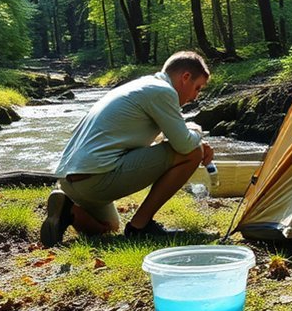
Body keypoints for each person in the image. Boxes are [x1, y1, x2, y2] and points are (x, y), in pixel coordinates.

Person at [40, 51, 214, 247]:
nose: (195, 97)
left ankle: (68, 211)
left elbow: (153, 137)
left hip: (70, 181)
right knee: (193, 153)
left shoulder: (141, 86)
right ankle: (141, 226)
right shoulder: (163, 91)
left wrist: (189, 138)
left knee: (109, 227)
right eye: (197, 88)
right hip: (94, 180)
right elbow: (184, 145)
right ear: (185, 77)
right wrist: (196, 131)